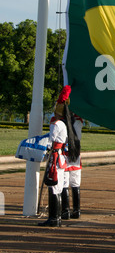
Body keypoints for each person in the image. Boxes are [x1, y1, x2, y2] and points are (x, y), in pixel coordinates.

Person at [39, 85, 80, 227]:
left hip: (56, 156)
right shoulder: (65, 124)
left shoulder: (57, 124)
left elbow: (50, 141)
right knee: (58, 186)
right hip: (61, 156)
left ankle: (54, 218)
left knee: (53, 187)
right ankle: (58, 217)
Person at [61, 114, 83, 220]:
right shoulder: (78, 121)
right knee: (75, 183)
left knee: (64, 183)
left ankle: (65, 212)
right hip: (75, 156)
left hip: (63, 156)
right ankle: (77, 211)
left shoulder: (59, 121)